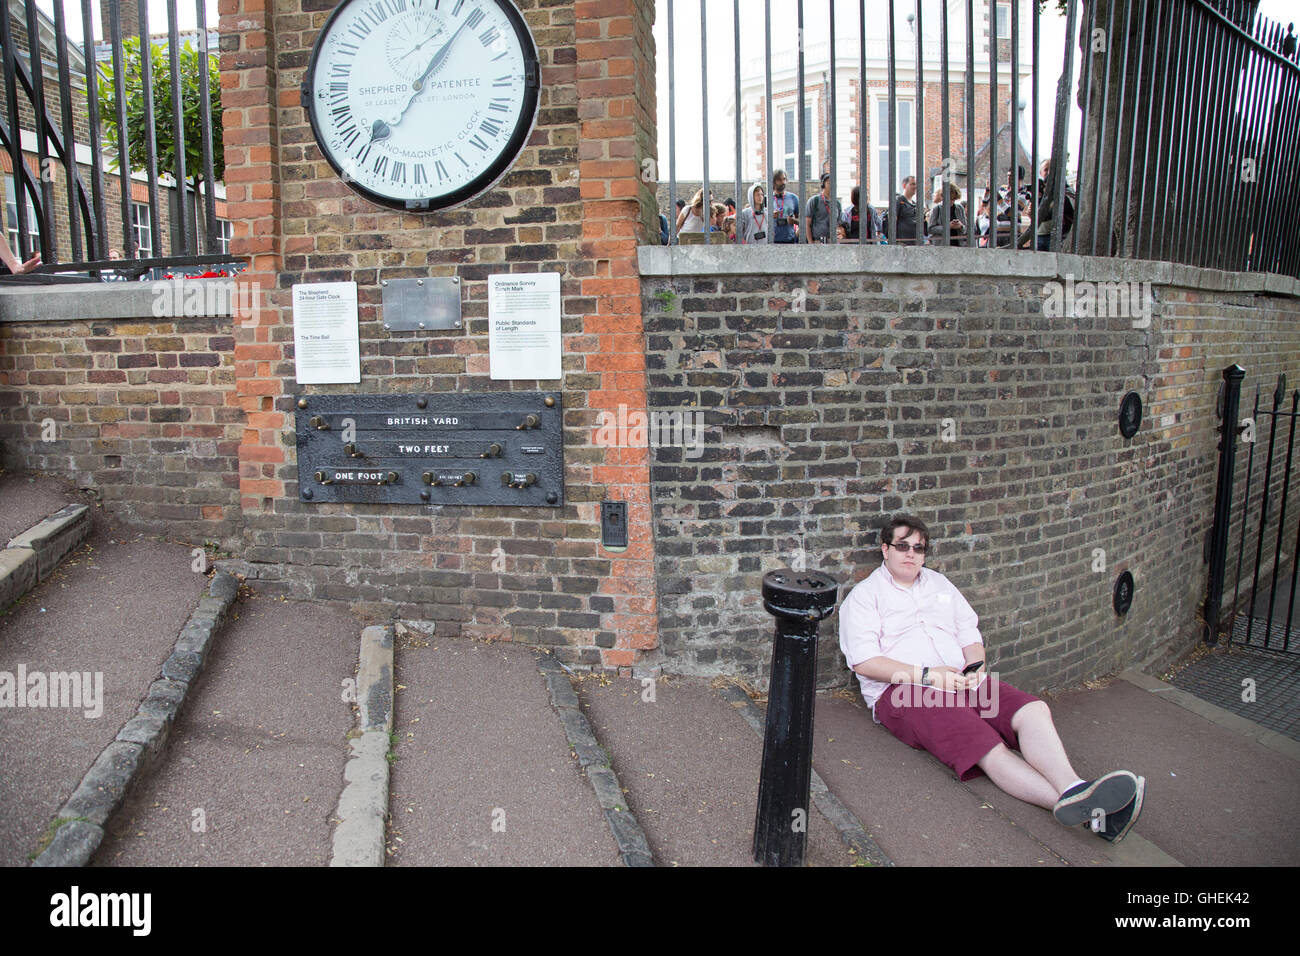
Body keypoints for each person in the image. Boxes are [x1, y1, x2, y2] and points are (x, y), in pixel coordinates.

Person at [838, 514, 1146, 843]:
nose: (911, 554)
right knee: (986, 745)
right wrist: (929, 676)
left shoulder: (939, 584)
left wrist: (976, 665)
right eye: (902, 546)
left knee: (1032, 710)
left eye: (919, 548)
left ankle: (1075, 788)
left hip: (960, 679)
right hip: (905, 691)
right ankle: (1087, 814)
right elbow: (864, 662)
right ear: (886, 550)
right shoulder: (865, 596)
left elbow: (968, 629)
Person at [805, 173, 842, 243]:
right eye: (829, 182)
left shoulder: (837, 204)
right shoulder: (814, 201)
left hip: (832, 242)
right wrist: (810, 243)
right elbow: (807, 224)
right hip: (817, 241)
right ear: (823, 185)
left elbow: (839, 224)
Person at [886, 175, 922, 244]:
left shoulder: (915, 204)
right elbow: (892, 220)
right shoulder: (898, 201)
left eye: (916, 184)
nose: (915, 187)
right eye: (913, 184)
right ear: (904, 186)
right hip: (901, 243)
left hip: (914, 243)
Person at [770, 169, 800, 244]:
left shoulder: (794, 198)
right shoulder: (766, 199)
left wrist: (794, 221)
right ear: (773, 182)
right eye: (779, 180)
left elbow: (803, 220)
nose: (783, 182)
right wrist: (770, 216)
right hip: (772, 241)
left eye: (784, 179)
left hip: (790, 240)